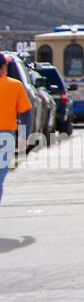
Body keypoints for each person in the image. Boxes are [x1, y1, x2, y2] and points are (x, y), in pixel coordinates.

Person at [0, 56, 32, 203]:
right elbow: (25, 113)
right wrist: (24, 137)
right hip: (6, 136)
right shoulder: (15, 85)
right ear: (4, 67)